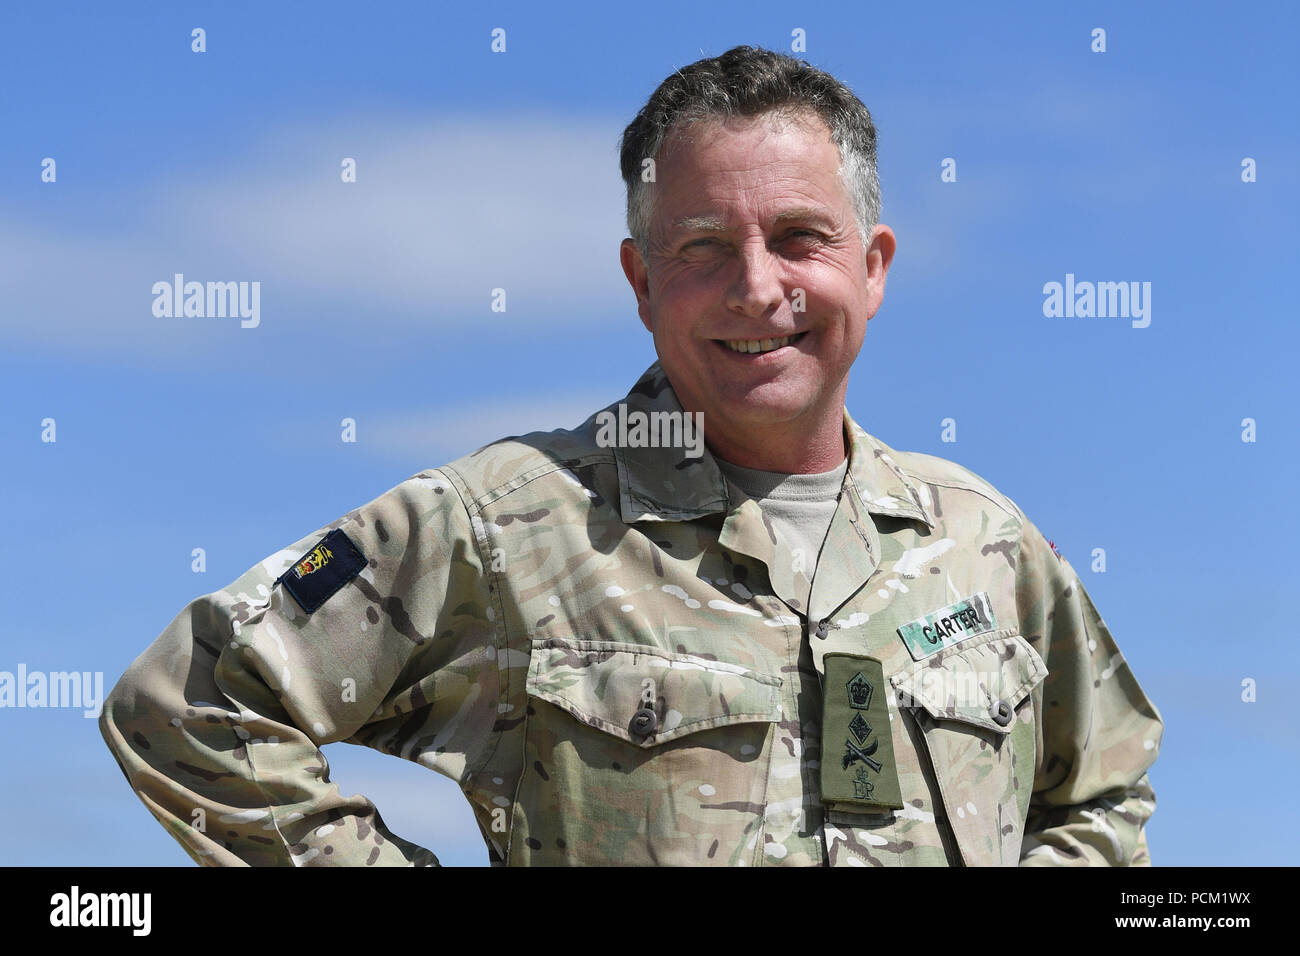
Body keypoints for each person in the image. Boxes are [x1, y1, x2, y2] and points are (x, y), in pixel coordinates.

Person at [99, 45, 1163, 866]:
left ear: (873, 267)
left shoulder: (987, 542)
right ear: (641, 283)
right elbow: (188, 701)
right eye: (703, 248)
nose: (756, 287)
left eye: (800, 237)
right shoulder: (500, 521)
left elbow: (1103, 787)